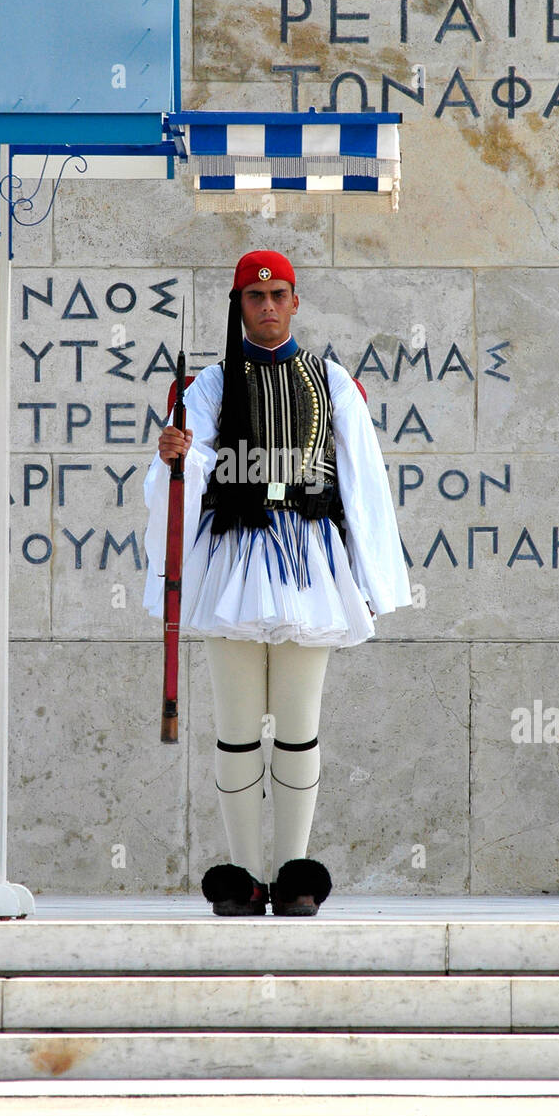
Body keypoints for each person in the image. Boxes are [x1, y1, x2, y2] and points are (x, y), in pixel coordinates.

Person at [142, 249, 411, 916]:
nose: (266, 306)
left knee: (297, 725)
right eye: (254, 297)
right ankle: (242, 873)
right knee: (236, 727)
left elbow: (364, 484)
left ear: (295, 303)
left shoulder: (332, 382)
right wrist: (174, 459)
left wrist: (372, 578)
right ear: (240, 306)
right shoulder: (205, 388)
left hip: (308, 560)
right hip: (234, 559)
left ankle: (294, 874)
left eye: (278, 295)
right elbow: (192, 470)